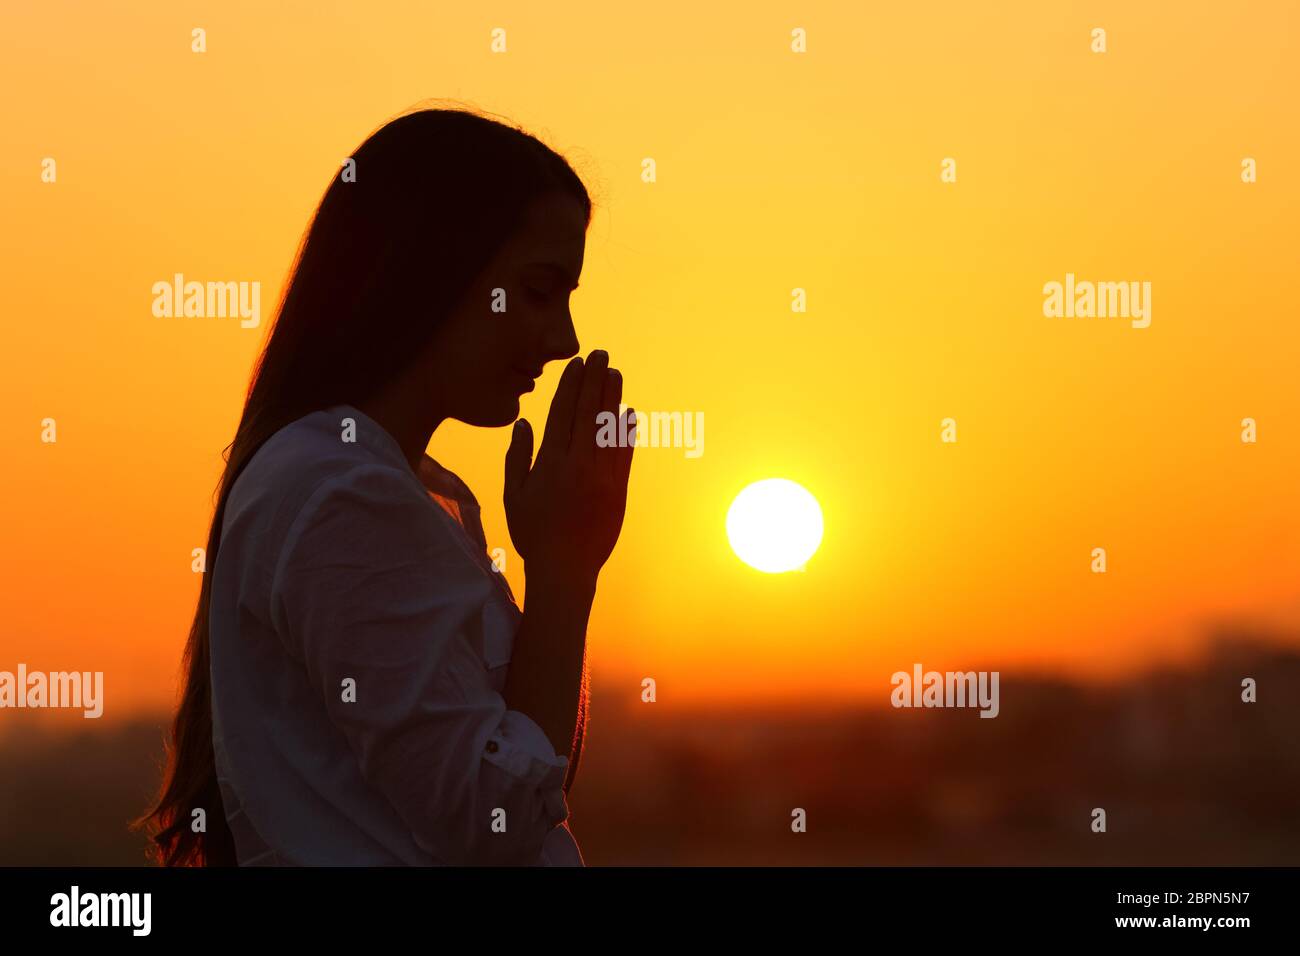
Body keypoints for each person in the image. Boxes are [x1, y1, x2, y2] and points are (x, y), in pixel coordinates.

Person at [137, 106, 635, 865]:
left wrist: (568, 568)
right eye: (538, 292)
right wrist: (563, 577)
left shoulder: (385, 486)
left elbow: (531, 783)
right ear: (434, 270)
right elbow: (490, 822)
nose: (563, 338)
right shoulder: (341, 493)